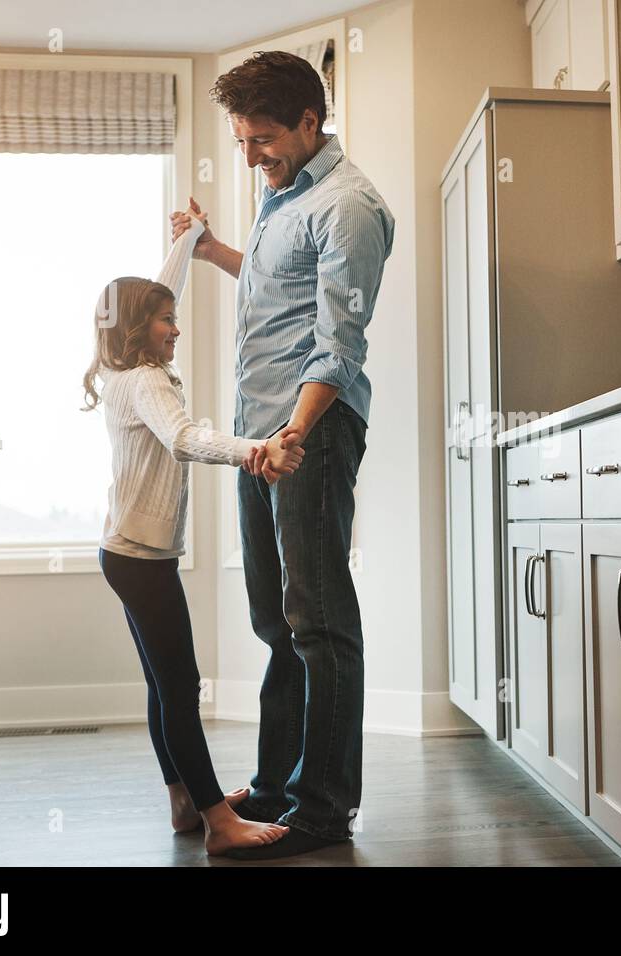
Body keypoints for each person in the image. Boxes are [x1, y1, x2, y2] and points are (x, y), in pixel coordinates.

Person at [170, 50, 394, 859]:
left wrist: (294, 435)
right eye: (241, 141)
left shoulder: (350, 206)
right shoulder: (285, 198)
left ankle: (323, 811)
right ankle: (273, 787)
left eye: (262, 139)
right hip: (258, 438)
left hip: (309, 435)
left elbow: (338, 344)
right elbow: (273, 291)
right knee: (277, 618)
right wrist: (212, 250)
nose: (251, 154)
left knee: (320, 620)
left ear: (310, 121)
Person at [82, 263, 305, 856]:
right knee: (181, 689)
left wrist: (187, 241)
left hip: (125, 551)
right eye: (166, 320)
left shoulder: (122, 370)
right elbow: (183, 438)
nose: (175, 328)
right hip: (140, 558)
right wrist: (255, 449)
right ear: (139, 327)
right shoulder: (149, 381)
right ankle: (217, 822)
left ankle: (183, 802)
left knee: (164, 685)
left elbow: (153, 294)